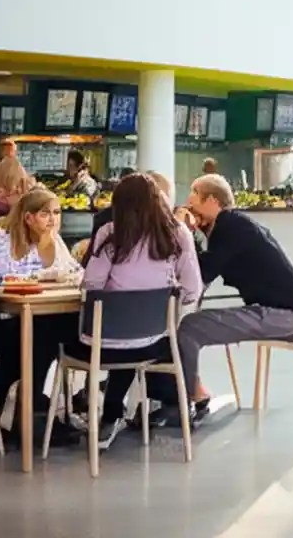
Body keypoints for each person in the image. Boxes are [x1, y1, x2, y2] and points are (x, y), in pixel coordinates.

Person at [147, 175, 293, 425]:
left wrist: (185, 231)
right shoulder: (235, 225)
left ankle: (182, 402)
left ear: (211, 199)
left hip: (276, 315)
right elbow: (204, 273)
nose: (190, 208)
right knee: (190, 325)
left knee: (188, 328)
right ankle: (194, 392)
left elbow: (203, 273)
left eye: (193, 200)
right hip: (278, 312)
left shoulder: (229, 226)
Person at [70, 173, 203, 448]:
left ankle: (103, 415)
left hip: (102, 346)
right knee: (142, 337)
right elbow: (192, 291)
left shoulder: (110, 234)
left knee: (73, 333)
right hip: (153, 344)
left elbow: (91, 285)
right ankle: (169, 404)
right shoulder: (178, 234)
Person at [0, 188, 82, 449]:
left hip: (38, 315)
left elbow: (74, 272)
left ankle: (18, 416)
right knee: (35, 338)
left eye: (56, 213)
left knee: (44, 333)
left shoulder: (54, 241)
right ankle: (27, 414)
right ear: (28, 217)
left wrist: (48, 250)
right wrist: (39, 276)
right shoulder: (1, 236)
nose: (53, 219)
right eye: (46, 213)